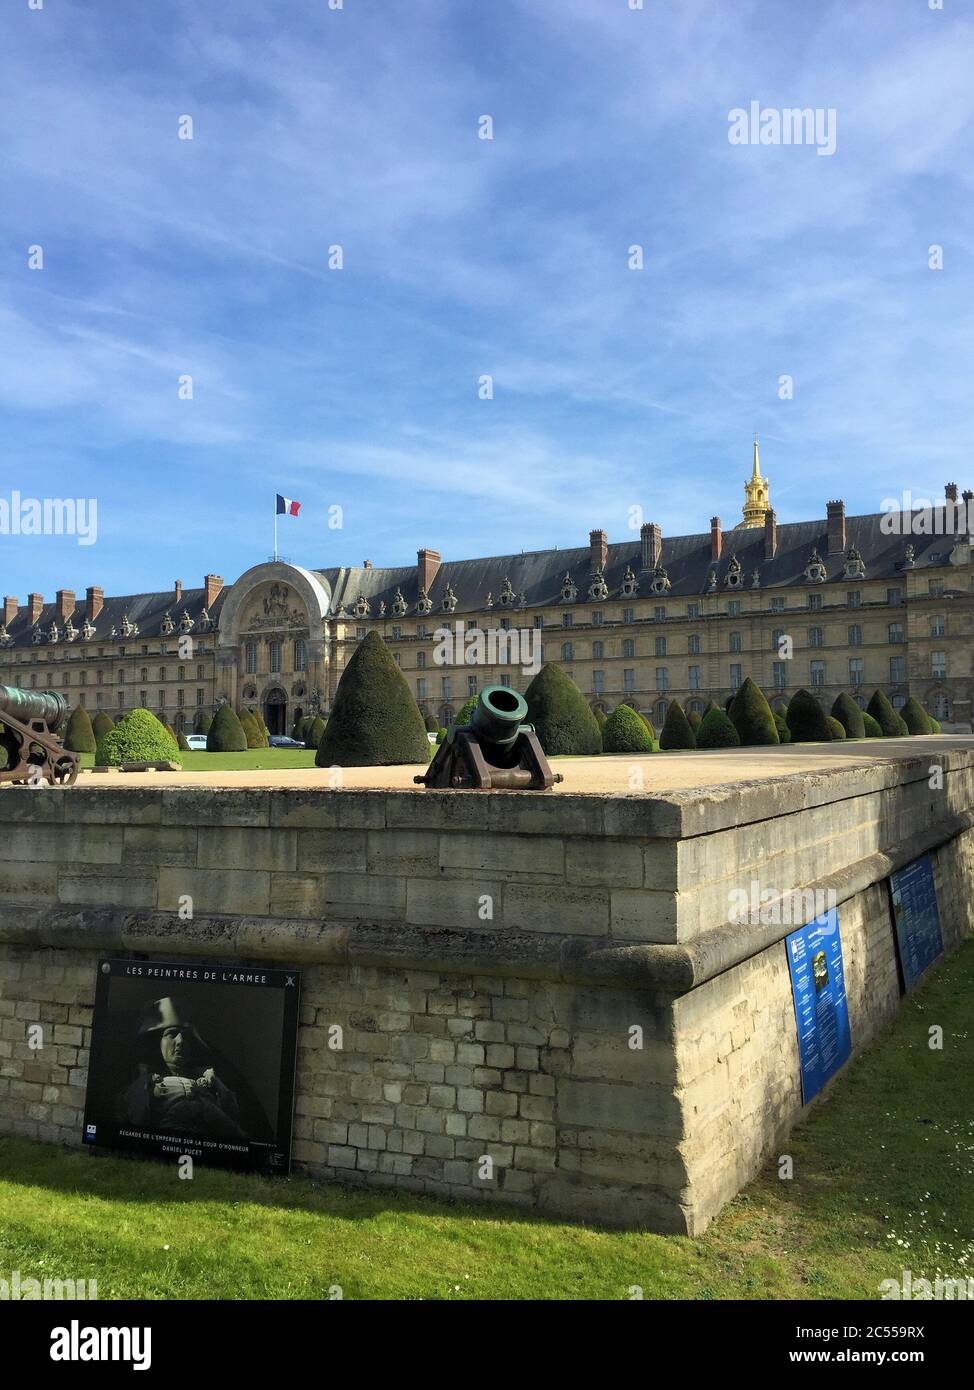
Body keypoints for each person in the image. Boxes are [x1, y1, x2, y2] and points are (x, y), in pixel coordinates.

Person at [115, 996, 248, 1142]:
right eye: (171, 1034)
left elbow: (232, 1118)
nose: (180, 1042)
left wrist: (207, 1100)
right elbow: (130, 1115)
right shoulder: (145, 1081)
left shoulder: (210, 1081)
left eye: (186, 1037)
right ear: (156, 1042)